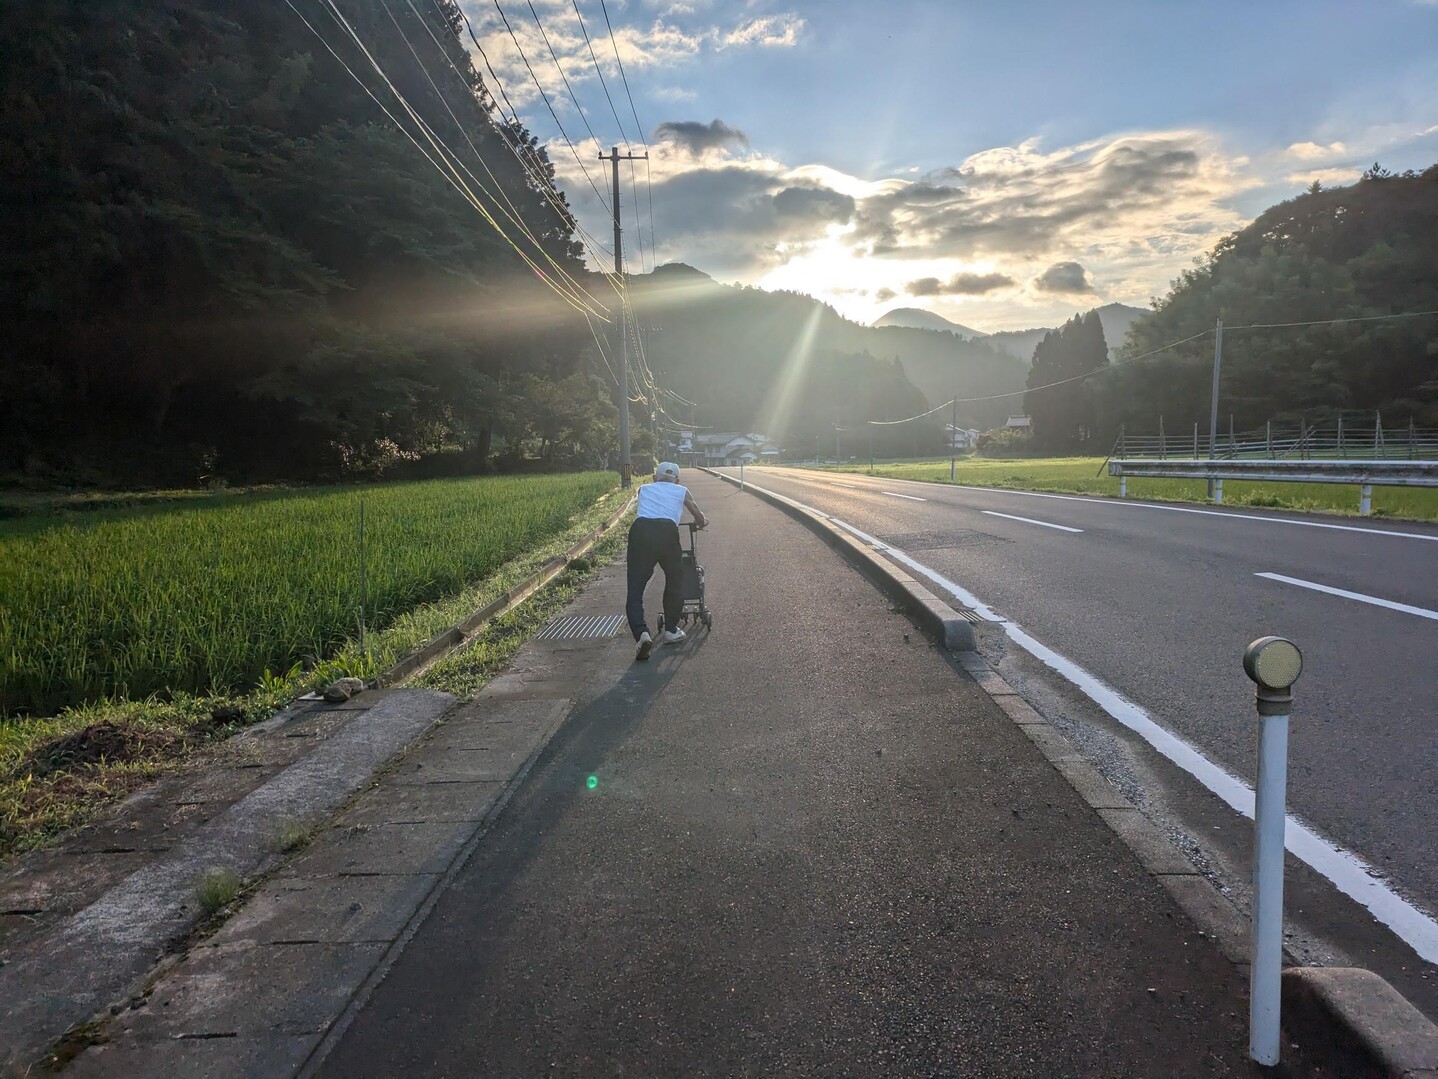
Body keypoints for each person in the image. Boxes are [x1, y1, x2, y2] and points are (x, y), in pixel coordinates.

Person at [628, 461, 707, 661]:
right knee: (675, 579)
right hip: (666, 533)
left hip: (641, 530)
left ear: (655, 478)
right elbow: (697, 513)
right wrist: (702, 522)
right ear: (677, 480)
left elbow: (635, 504)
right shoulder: (681, 490)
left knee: (636, 588)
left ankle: (642, 635)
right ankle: (671, 630)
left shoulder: (644, 488)